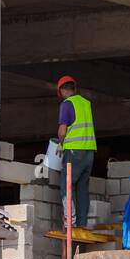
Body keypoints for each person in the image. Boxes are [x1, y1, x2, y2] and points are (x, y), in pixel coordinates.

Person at [55, 75, 96, 229]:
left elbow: (62, 129)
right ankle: (82, 224)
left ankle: (70, 223)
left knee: (67, 186)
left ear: (61, 91)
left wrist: (61, 143)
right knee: (82, 189)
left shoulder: (67, 104)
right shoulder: (86, 103)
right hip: (89, 152)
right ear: (74, 88)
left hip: (74, 152)